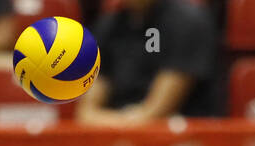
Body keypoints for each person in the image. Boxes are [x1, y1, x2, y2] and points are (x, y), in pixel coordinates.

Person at [76, 0, 219, 127]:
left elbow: (155, 112)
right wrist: (124, 122)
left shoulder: (189, 21)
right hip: (121, 136)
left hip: (180, 139)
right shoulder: (107, 26)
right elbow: (86, 112)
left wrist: (111, 121)